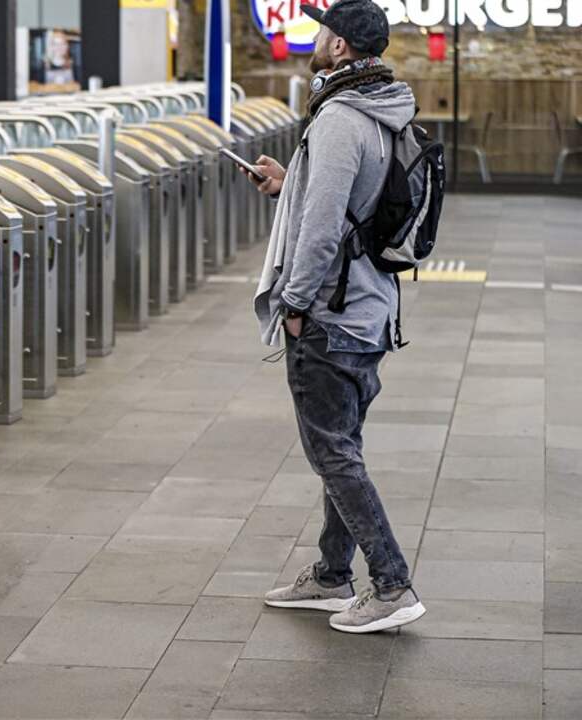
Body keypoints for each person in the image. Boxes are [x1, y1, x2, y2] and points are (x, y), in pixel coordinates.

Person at [246, 0, 425, 634]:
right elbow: (344, 196)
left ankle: (391, 584)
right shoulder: (385, 108)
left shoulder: (339, 118)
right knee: (340, 446)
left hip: (331, 313)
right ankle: (330, 574)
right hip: (371, 305)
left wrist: (294, 306)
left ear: (342, 48)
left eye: (324, 31)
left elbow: (321, 230)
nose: (315, 37)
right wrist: (285, 182)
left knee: (333, 456)